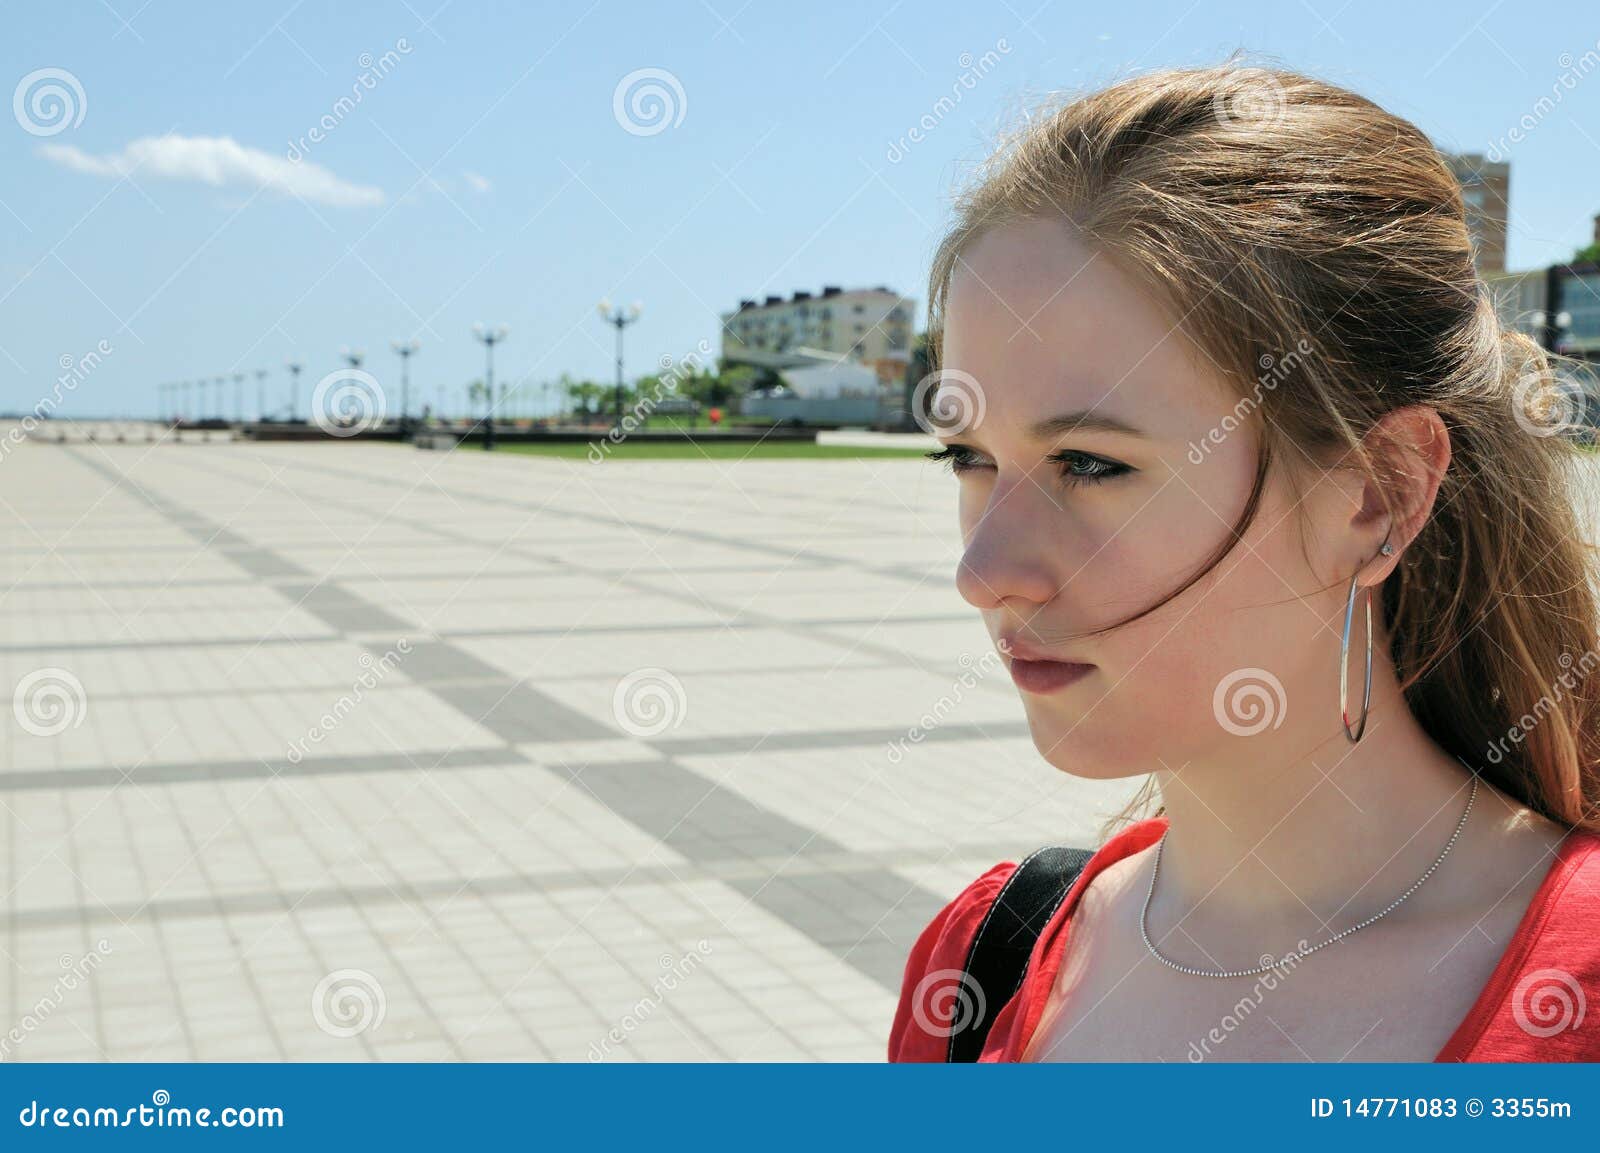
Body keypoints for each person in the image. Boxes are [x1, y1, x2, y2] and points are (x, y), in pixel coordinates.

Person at [888, 62, 1600, 1063]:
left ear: (1377, 493)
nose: (984, 568)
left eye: (1091, 464)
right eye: (969, 457)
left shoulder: (1572, 996)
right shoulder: (981, 965)